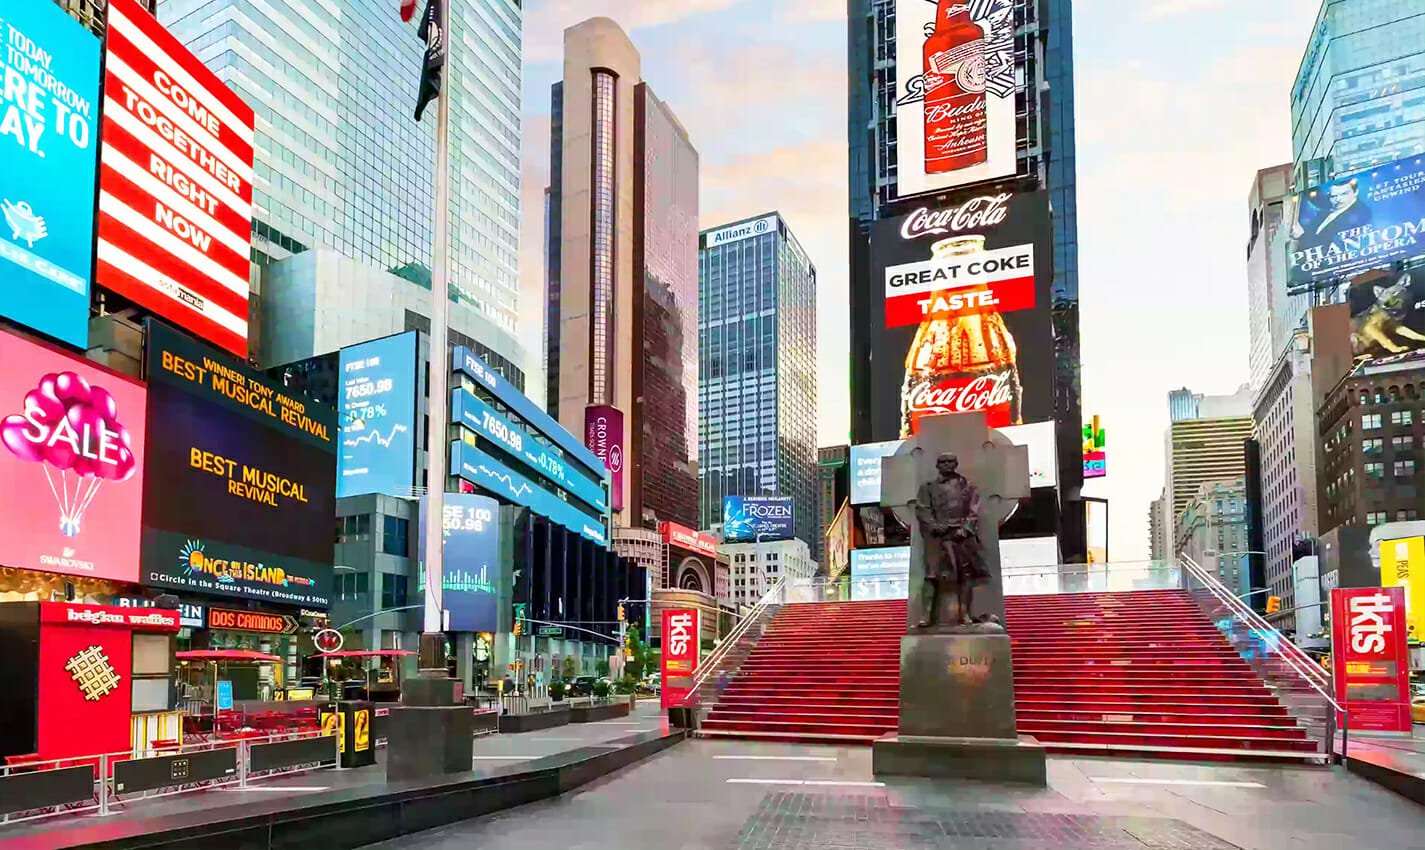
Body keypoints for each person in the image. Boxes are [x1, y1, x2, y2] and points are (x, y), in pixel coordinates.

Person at [1293, 177, 1373, 253]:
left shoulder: (1359, 213)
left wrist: (1301, 236)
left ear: (1356, 192)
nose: (1338, 199)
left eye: (1344, 194)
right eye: (1334, 196)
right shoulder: (1330, 209)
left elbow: (1327, 244)